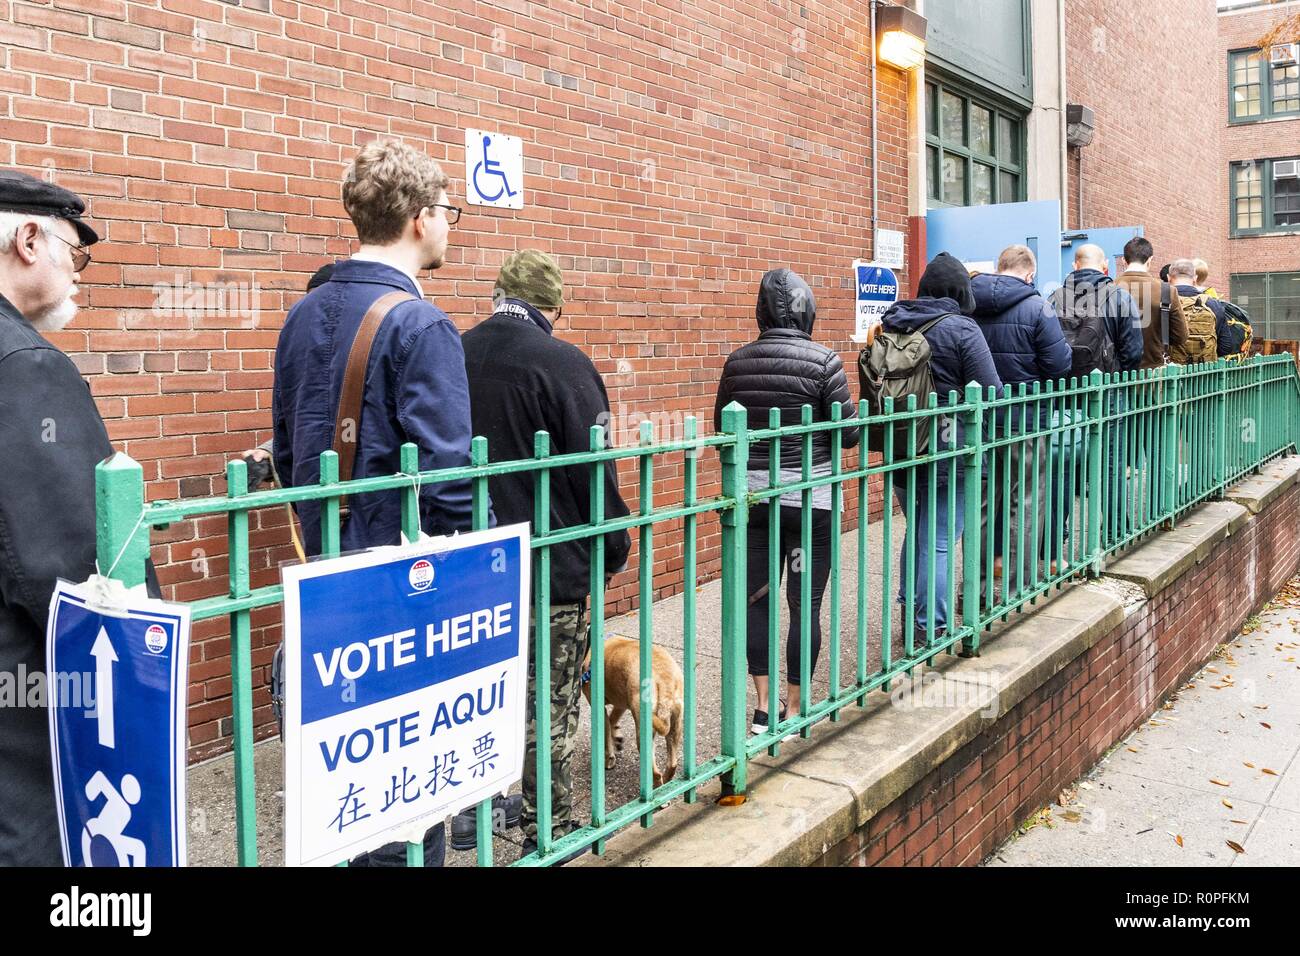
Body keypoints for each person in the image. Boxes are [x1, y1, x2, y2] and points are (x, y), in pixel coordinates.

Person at [272, 140, 476, 867]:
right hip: (400, 602)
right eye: (450, 211)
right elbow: (451, 480)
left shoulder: (301, 314)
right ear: (421, 218)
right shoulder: (421, 325)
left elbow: (290, 448)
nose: (453, 225)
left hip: (323, 587)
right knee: (405, 810)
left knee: (341, 802)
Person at [0, 171, 152, 864]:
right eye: (75, 252)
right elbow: (85, 573)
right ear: (28, 238)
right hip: (24, 744)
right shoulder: (28, 368)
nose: (79, 273)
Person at [460, 250, 631, 862]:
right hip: (549, 571)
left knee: (474, 697)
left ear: (499, 292)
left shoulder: (454, 352)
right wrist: (614, 544)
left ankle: (468, 814)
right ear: (552, 306)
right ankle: (549, 829)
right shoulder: (565, 365)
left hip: (470, 569)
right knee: (546, 709)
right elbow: (594, 470)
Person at [714, 268, 858, 734]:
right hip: (809, 503)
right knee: (804, 604)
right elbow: (850, 434)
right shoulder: (825, 361)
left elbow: (722, 428)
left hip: (754, 501)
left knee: (757, 601)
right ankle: (796, 711)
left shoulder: (737, 362)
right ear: (807, 308)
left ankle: (762, 708)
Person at [876, 253, 1000, 639]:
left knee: (919, 532)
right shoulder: (962, 328)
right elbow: (990, 391)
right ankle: (934, 628)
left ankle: (910, 613)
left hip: (903, 443)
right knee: (941, 538)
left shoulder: (892, 324)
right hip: (951, 446)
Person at [970, 245, 1071, 598]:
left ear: (1000, 268)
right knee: (1026, 500)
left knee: (982, 503)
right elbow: (1059, 366)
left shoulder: (971, 305)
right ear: (1030, 274)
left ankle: (978, 589)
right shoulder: (1039, 307)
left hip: (982, 419)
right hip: (1025, 419)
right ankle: (1017, 588)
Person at [1049, 244, 1143, 553]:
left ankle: (1053, 540)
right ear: (1105, 269)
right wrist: (1117, 376)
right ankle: (1115, 531)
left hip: (1066, 394)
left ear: (1074, 266)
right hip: (1108, 392)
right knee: (1111, 464)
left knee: (1063, 465)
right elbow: (1133, 351)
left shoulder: (1053, 298)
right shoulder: (1119, 297)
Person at [1116, 237, 1187, 370]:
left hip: (1116, 377)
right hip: (1153, 374)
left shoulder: (1109, 288)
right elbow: (1180, 337)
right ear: (1150, 260)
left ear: (1124, 261)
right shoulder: (1167, 291)